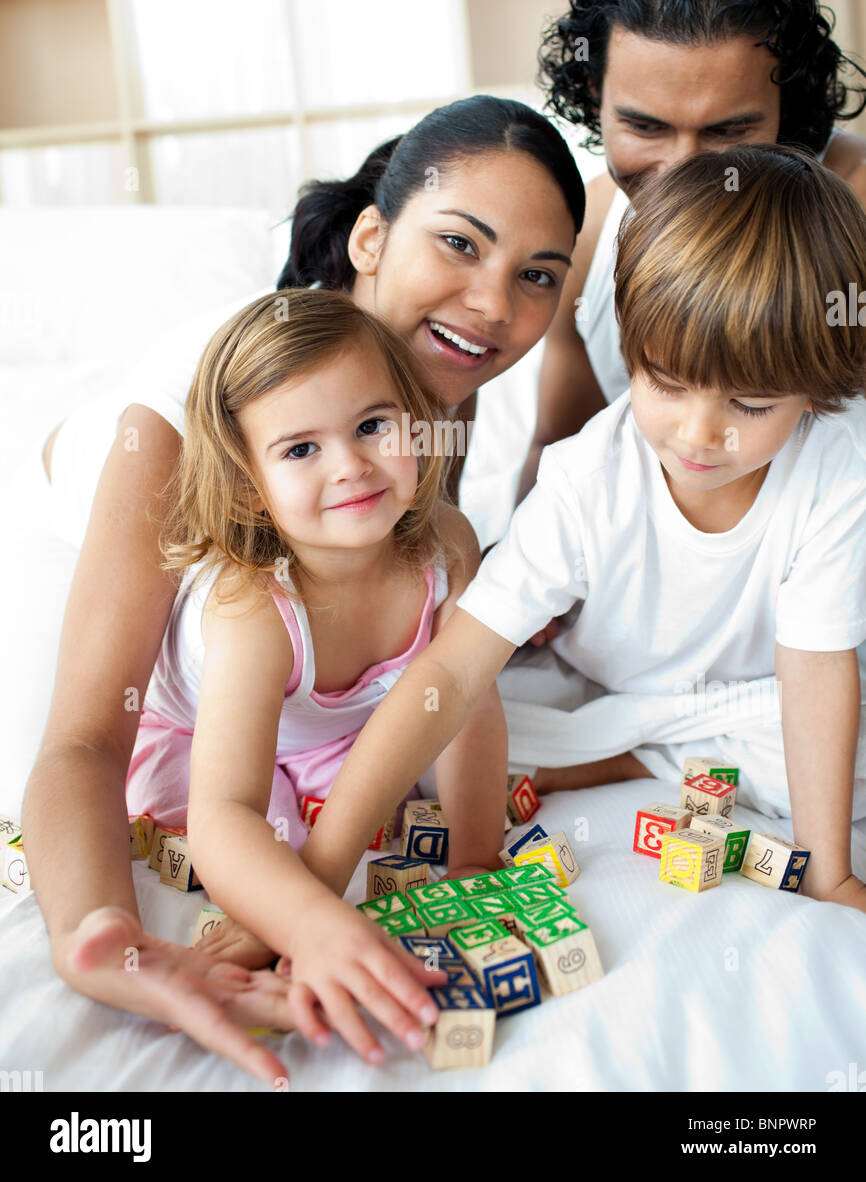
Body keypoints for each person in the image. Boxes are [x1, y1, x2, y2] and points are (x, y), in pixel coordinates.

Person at [23, 94, 583, 1083]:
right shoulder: (180, 443)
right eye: (458, 243)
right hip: (101, 488)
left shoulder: (438, 376)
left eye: (535, 275)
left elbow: (434, 635)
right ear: (370, 239)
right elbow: (83, 740)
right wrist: (107, 940)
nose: (494, 308)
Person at [298, 147, 866, 918]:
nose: (700, 436)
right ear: (630, 342)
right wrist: (315, 881)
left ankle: (626, 759)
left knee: (841, 748)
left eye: (754, 406)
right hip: (594, 688)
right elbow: (452, 672)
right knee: (436, 736)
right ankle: (620, 754)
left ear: (817, 392)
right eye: (666, 383)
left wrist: (828, 874)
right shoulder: (588, 477)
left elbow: (816, 670)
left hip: (750, 699)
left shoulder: (840, 464)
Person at [125, 286, 507, 1061]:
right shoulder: (251, 606)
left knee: (400, 789)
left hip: (337, 730)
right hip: (206, 735)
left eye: (373, 425)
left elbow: (468, 706)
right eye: (301, 449)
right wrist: (313, 924)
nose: (352, 467)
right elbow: (223, 811)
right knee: (270, 852)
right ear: (245, 482)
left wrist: (474, 857)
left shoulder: (448, 547)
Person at [517, 0, 866, 511]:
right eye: (645, 127)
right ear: (594, 92)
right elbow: (558, 451)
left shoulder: (856, 208)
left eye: (728, 131)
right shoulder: (585, 236)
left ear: (792, 100)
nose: (682, 173)